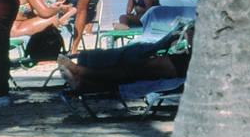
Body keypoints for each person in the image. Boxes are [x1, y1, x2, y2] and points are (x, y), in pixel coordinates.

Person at [58, 23, 193, 93]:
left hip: (187, 65)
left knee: (138, 69)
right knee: (137, 67)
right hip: (187, 60)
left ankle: (83, 74)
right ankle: (85, 81)